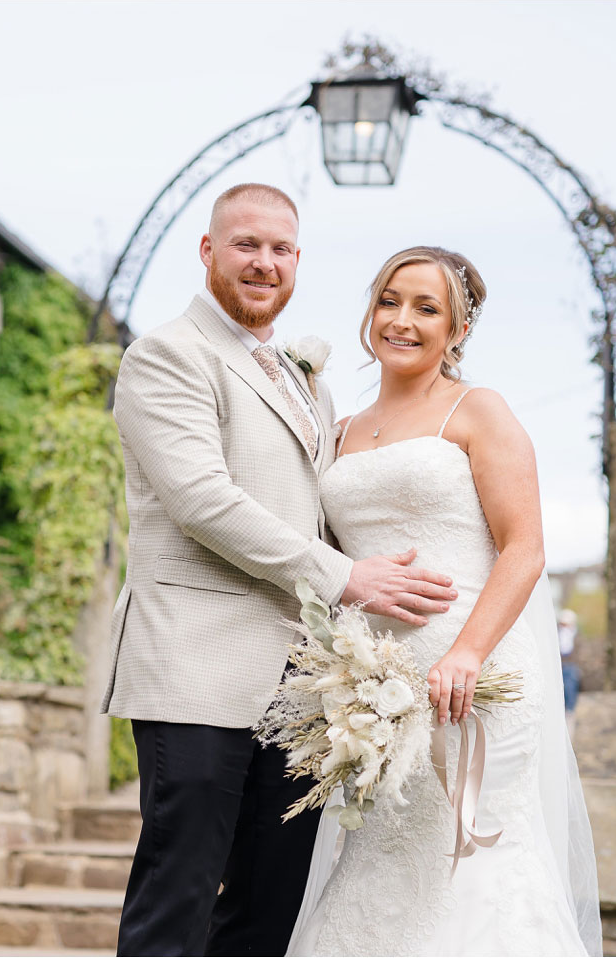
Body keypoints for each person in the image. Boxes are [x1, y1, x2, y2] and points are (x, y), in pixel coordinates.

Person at [100, 186, 458, 956]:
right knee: (178, 896)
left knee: (269, 910)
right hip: (195, 669)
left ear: (298, 260)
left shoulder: (307, 380)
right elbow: (202, 500)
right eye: (246, 244)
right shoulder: (166, 355)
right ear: (208, 251)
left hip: (299, 690)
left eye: (281, 249)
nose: (265, 263)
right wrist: (346, 576)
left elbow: (319, 507)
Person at [287, 246, 602, 956]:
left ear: (458, 330)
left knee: (476, 860)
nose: (402, 320)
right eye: (389, 301)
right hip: (373, 693)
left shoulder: (477, 410)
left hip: (474, 682)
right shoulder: (339, 431)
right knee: (382, 857)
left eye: (426, 308)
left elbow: (525, 548)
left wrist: (467, 653)